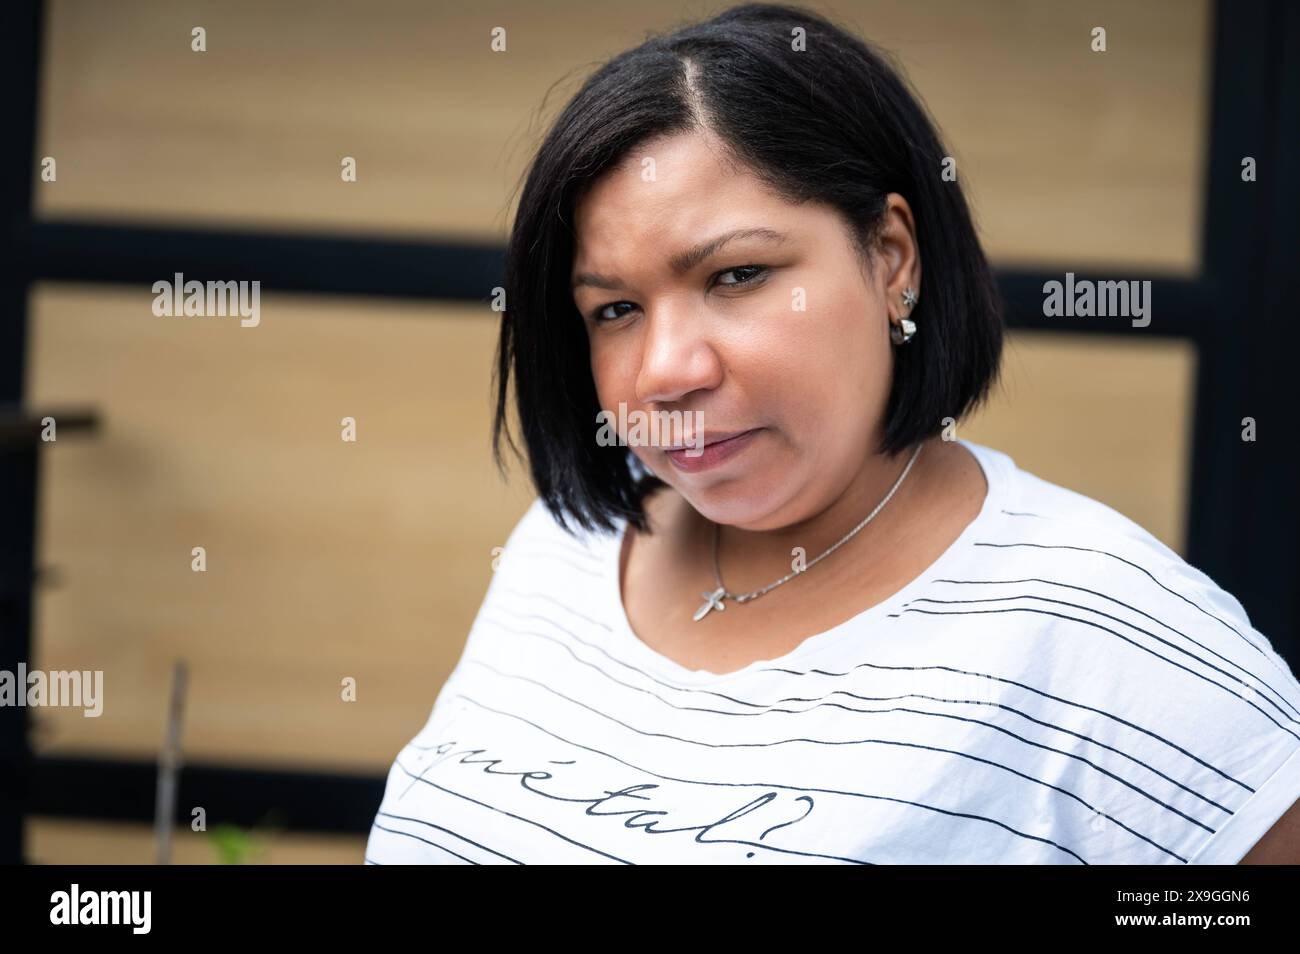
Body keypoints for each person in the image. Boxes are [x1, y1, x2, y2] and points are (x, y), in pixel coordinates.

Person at [365, 2, 1300, 864]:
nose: (663, 371)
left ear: (891, 259)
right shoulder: (567, 551)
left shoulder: (1105, 633)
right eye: (615, 309)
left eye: (736, 276)